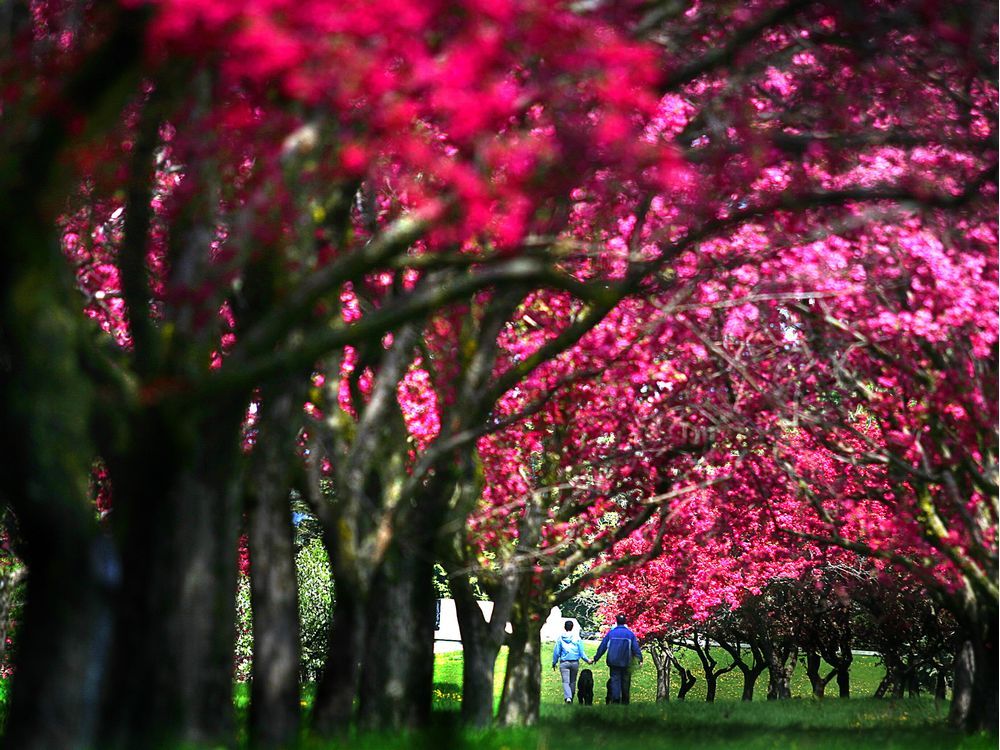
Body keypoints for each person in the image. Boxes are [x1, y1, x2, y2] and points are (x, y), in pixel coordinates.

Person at [593, 614, 642, 704]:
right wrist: (639, 659)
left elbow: (603, 646)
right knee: (626, 681)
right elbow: (635, 648)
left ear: (616, 621)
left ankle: (615, 700)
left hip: (613, 661)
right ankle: (625, 701)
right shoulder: (630, 634)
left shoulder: (611, 633)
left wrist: (596, 658)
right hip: (626, 661)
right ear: (625, 622)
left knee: (615, 680)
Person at [551, 620, 591, 703]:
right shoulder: (577, 638)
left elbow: (557, 652)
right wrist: (587, 660)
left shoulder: (560, 638)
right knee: (573, 681)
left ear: (564, 627)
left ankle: (568, 697)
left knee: (565, 682)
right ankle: (571, 697)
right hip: (574, 662)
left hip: (564, 663)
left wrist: (554, 662)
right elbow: (581, 652)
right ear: (572, 627)